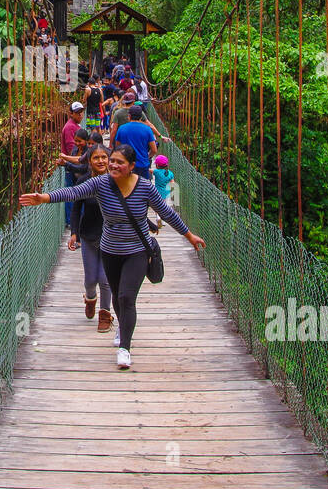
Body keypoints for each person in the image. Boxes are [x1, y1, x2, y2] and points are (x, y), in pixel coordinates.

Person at [19, 145, 205, 369]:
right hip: (110, 250)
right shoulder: (101, 183)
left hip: (137, 250)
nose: (113, 165)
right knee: (117, 296)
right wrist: (45, 197)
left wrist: (189, 235)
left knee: (127, 297)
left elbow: (167, 213)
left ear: (132, 166)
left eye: (119, 162)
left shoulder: (145, 187)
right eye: (112, 161)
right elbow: (74, 193)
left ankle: (124, 348)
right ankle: (123, 326)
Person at [68, 144, 113, 330]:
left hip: (111, 237)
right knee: (90, 280)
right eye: (96, 157)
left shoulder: (116, 181)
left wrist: (147, 224)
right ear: (89, 160)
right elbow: (76, 209)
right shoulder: (83, 182)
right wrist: (74, 233)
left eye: (104, 157)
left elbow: (131, 205)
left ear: (110, 160)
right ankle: (90, 298)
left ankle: (105, 315)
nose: (101, 161)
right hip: (88, 235)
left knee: (105, 279)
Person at [61, 102, 84, 227]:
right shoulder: (70, 127)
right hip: (72, 166)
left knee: (75, 192)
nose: (80, 115)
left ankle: (75, 220)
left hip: (74, 164)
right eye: (77, 112)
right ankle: (71, 221)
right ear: (71, 113)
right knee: (72, 193)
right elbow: (72, 148)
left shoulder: (75, 125)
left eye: (81, 112)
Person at [118, 105, 157, 179]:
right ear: (141, 117)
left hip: (126, 164)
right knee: (142, 187)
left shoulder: (121, 129)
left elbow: (118, 147)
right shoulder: (147, 129)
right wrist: (147, 157)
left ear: (129, 116)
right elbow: (154, 150)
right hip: (142, 164)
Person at [150, 153, 174, 233]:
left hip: (156, 192)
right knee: (164, 206)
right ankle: (163, 221)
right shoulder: (170, 173)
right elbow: (172, 183)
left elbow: (150, 171)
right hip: (166, 193)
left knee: (156, 206)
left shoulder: (156, 172)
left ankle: (158, 217)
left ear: (157, 165)